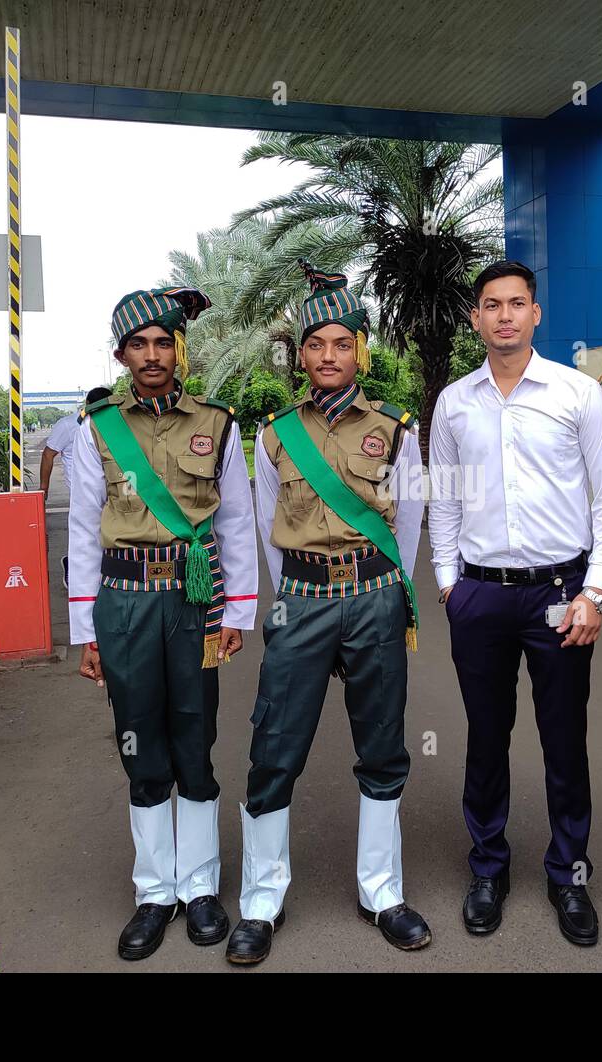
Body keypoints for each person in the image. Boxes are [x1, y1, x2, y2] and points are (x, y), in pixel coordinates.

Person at [225, 260, 428, 966]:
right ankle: (261, 900)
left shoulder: (398, 431)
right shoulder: (274, 435)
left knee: (382, 747)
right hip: (302, 599)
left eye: (343, 344)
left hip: (373, 597)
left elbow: (409, 529)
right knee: (275, 745)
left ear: (360, 351)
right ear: (301, 355)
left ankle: (382, 891)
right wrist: (300, 587)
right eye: (317, 346)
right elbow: (261, 522)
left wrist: (374, 584)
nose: (330, 357)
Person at [428, 260, 602, 946]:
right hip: (481, 595)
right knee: (485, 737)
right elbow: (445, 500)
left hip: (560, 594)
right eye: (492, 304)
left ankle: (569, 873)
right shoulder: (454, 402)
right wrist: (450, 584)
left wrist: (596, 589)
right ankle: (488, 867)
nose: (505, 315)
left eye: (517, 303)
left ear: (536, 314)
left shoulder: (577, 394)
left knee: (564, 738)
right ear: (476, 318)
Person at [67, 287, 258, 961]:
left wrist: (238, 612)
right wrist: (86, 631)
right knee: (139, 742)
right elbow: (86, 534)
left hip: (192, 598)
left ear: (180, 348)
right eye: (137, 344)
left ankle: (201, 887)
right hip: (122, 600)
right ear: (120, 353)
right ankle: (154, 891)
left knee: (194, 734)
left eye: (162, 342)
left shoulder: (220, 423)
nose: (151, 356)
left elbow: (235, 520)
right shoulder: (97, 429)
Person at [42, 386, 111, 585]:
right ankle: (72, 566)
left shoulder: (116, 424)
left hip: (111, 491)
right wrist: (44, 488)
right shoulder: (68, 425)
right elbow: (48, 454)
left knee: (107, 533)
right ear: (87, 405)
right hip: (80, 492)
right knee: (85, 534)